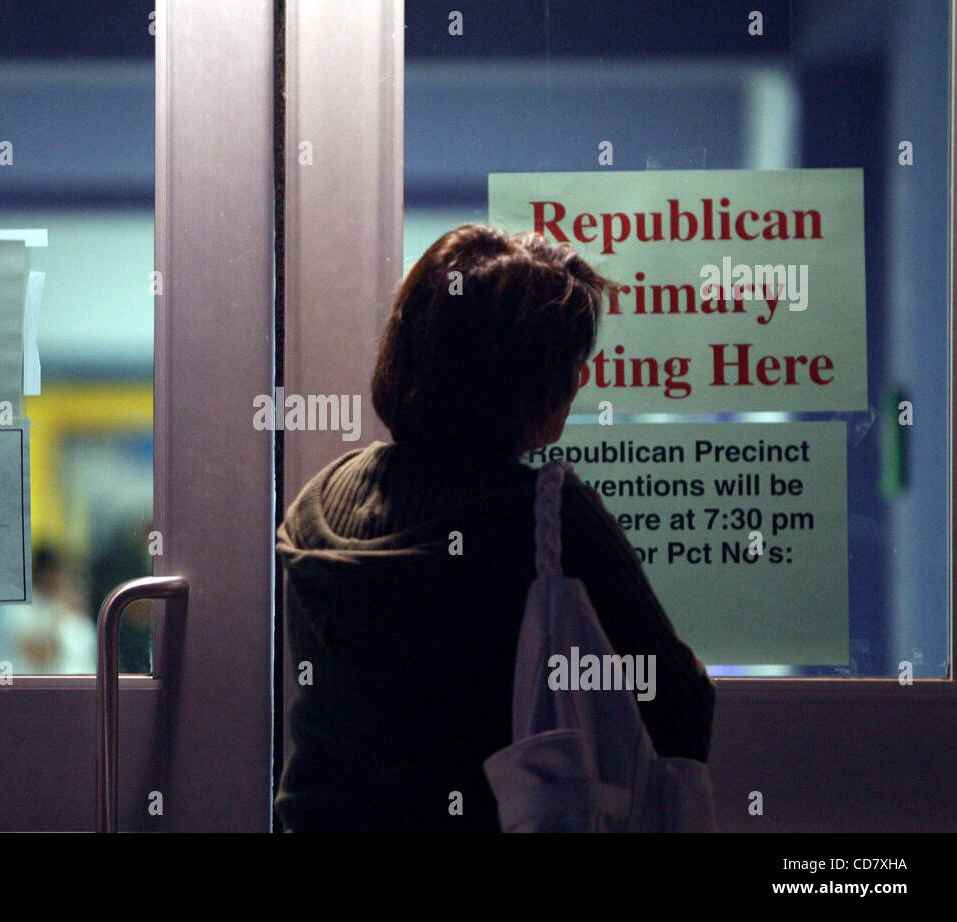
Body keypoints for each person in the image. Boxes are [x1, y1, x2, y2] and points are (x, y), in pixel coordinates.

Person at [275, 224, 716, 833]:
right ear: (533, 382)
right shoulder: (547, 518)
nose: (579, 380)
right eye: (572, 363)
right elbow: (676, 700)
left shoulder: (318, 504)